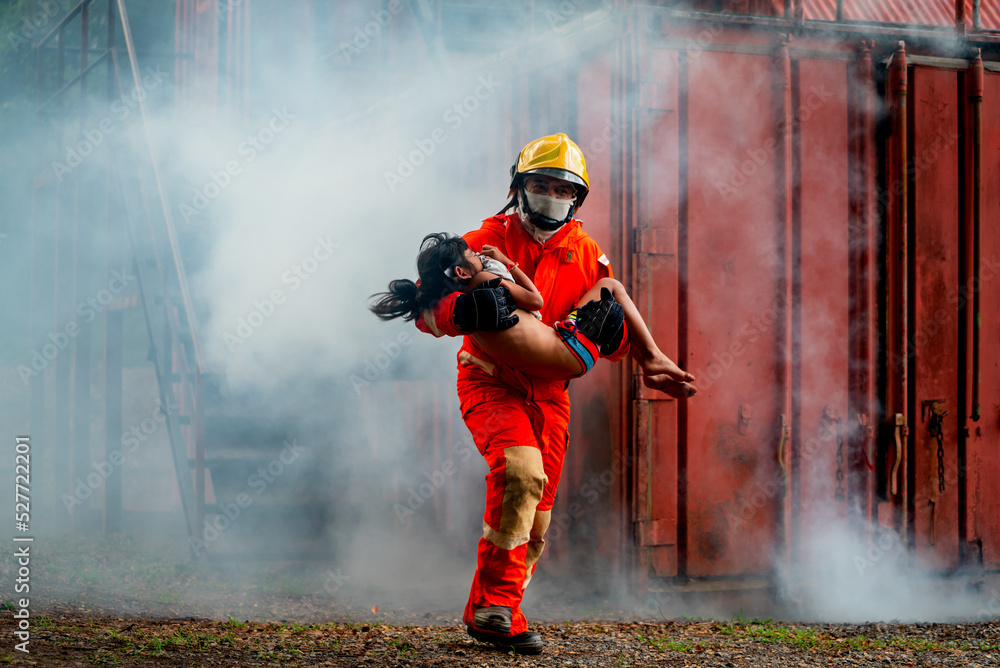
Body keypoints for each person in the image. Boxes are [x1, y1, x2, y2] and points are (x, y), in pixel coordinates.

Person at [406, 134, 696, 654]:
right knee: (520, 472)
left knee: (536, 512)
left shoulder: (586, 254)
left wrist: (638, 353)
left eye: (562, 187)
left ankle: (499, 613)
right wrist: (459, 313)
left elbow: (606, 329)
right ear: (518, 188)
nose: (551, 194)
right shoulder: (481, 242)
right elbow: (423, 313)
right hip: (489, 380)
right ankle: (496, 607)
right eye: (540, 184)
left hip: (552, 395)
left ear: (576, 198)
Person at [371, 232, 697, 390]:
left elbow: (426, 300)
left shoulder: (457, 310)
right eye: (471, 253)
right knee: (610, 285)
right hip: (572, 349)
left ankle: (650, 362)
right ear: (461, 272)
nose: (477, 255)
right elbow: (535, 301)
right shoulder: (485, 280)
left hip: (564, 363)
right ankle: (652, 357)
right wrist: (507, 262)